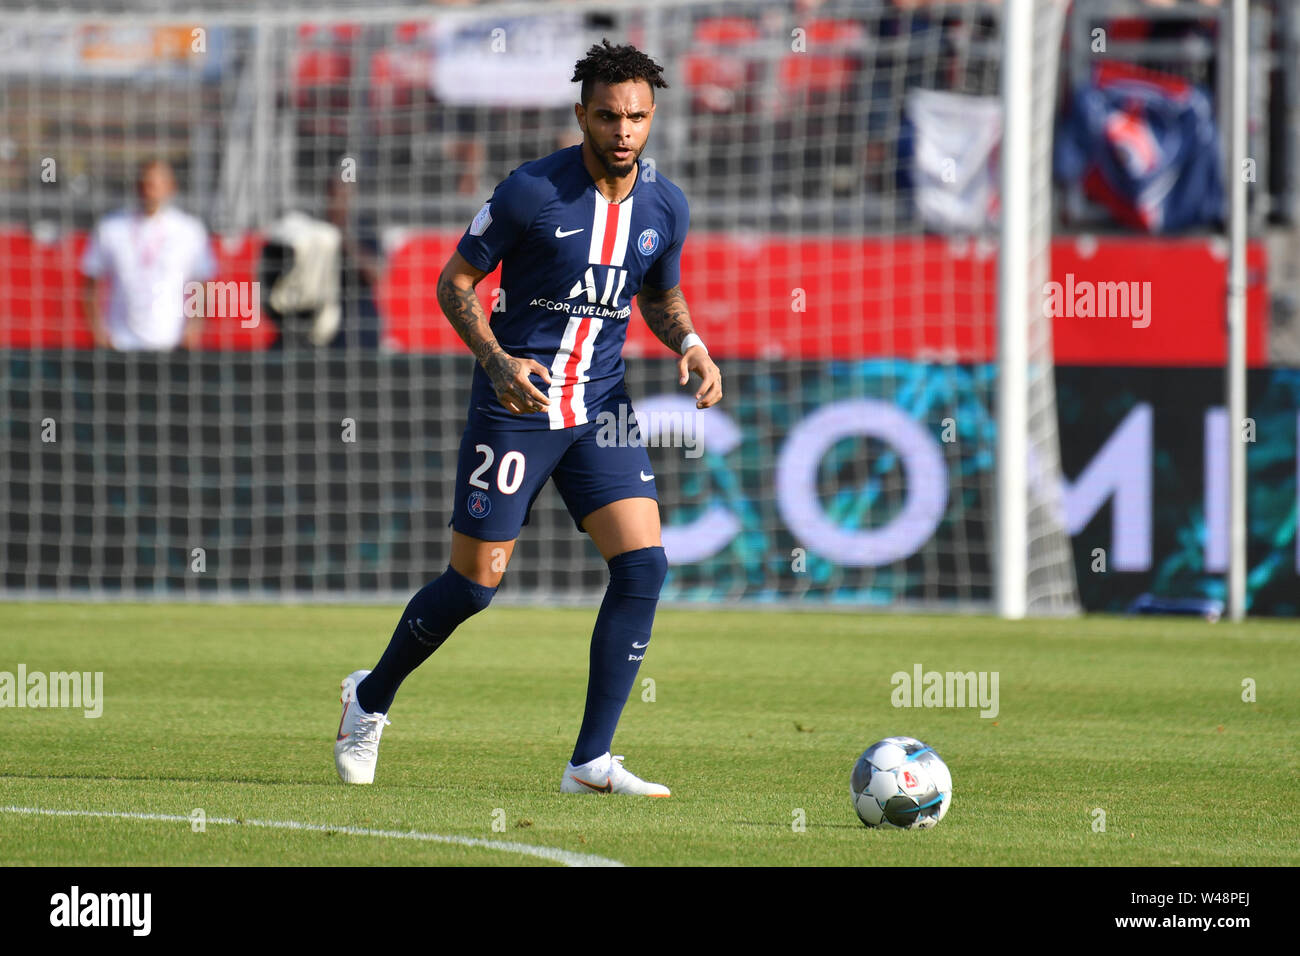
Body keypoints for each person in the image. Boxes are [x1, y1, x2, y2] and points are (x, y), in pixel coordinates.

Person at [334, 40, 722, 796]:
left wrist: (694, 345)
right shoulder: (530, 191)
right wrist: (497, 361)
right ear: (582, 114)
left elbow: (659, 298)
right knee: (476, 585)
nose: (622, 131)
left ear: (653, 118)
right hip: (518, 405)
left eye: (637, 117)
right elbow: (455, 285)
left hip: (600, 406)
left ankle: (590, 762)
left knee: (644, 565)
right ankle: (369, 697)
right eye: (608, 116)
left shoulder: (666, 205)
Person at [80, 159, 216, 351]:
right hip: (121, 341)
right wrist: (98, 331)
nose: (150, 191)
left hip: (172, 341)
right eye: (145, 184)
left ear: (171, 187)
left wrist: (194, 327)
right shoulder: (111, 227)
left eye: (156, 184)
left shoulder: (190, 230)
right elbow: (91, 283)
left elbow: (202, 284)